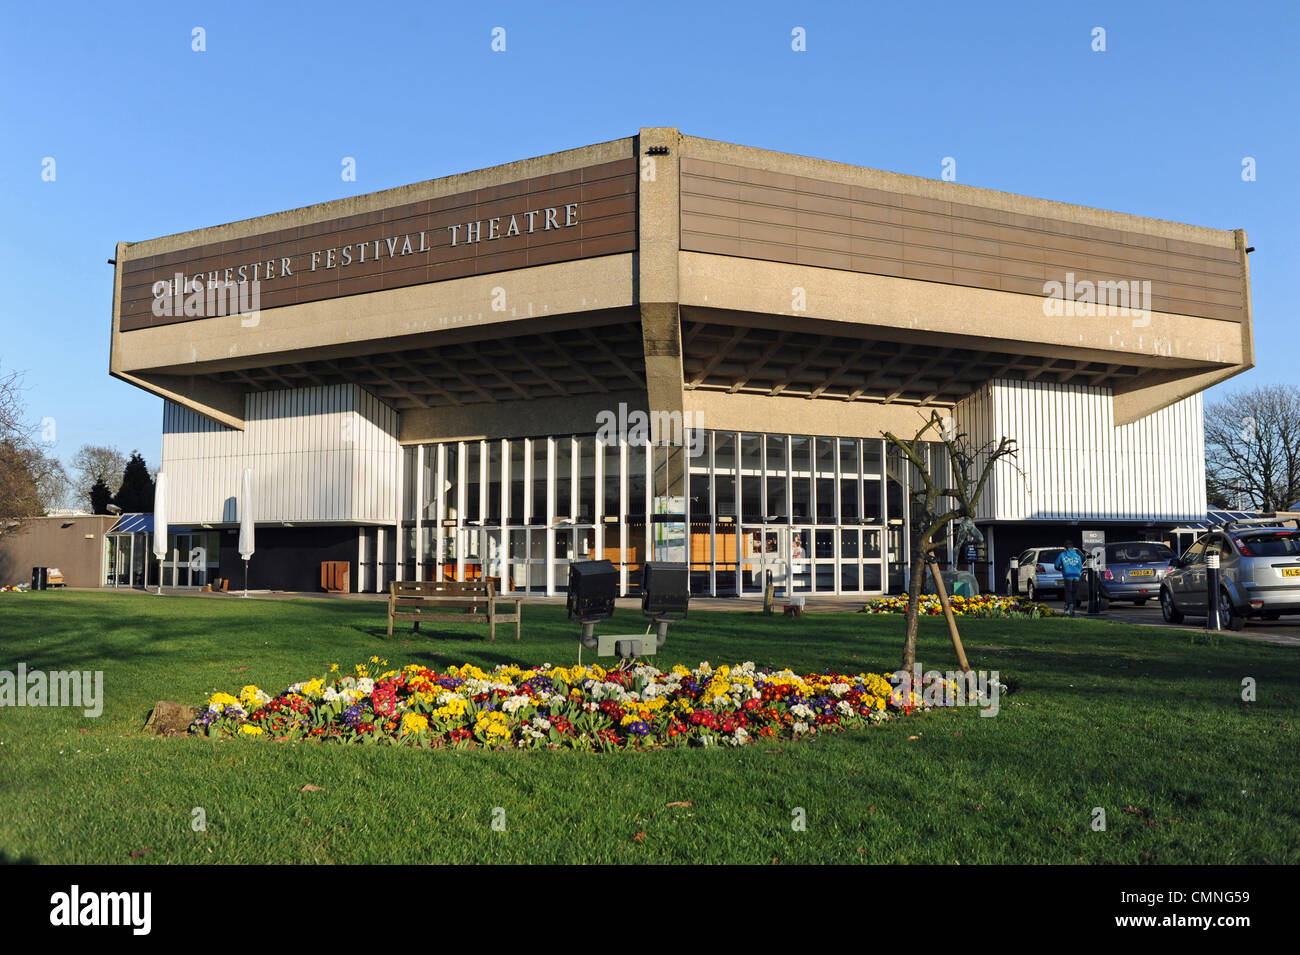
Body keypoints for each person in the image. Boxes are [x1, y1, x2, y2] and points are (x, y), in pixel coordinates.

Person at [1054, 540, 1086, 616]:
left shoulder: (1062, 555)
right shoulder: (1077, 556)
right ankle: (1073, 609)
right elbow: (1080, 567)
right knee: (1074, 593)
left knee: (1068, 592)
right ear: (1072, 547)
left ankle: (1070, 606)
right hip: (1076, 576)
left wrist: (1060, 569)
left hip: (1068, 576)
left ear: (1065, 548)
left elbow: (1056, 565)